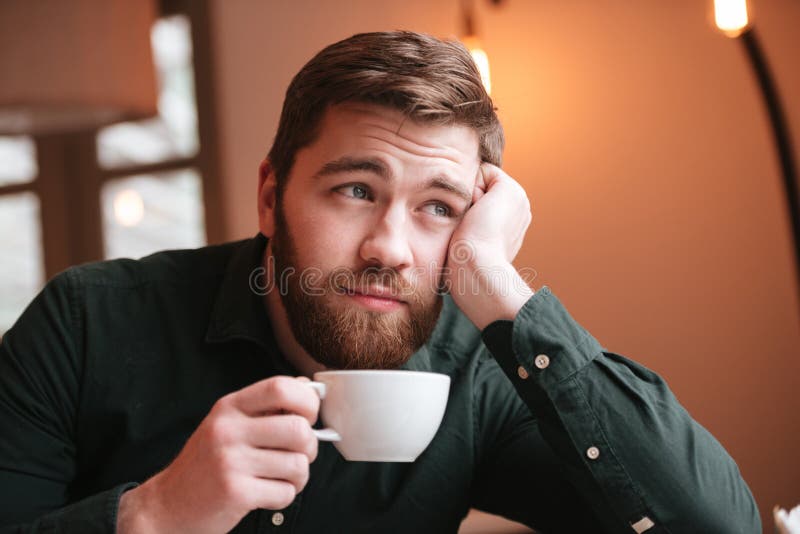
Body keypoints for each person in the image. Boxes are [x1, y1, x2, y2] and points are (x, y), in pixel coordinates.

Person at [0, 31, 760, 534]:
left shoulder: (480, 376)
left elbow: (717, 527)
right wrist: (154, 515)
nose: (390, 248)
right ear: (270, 196)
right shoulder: (86, 323)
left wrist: (498, 284)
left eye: (438, 207)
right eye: (356, 189)